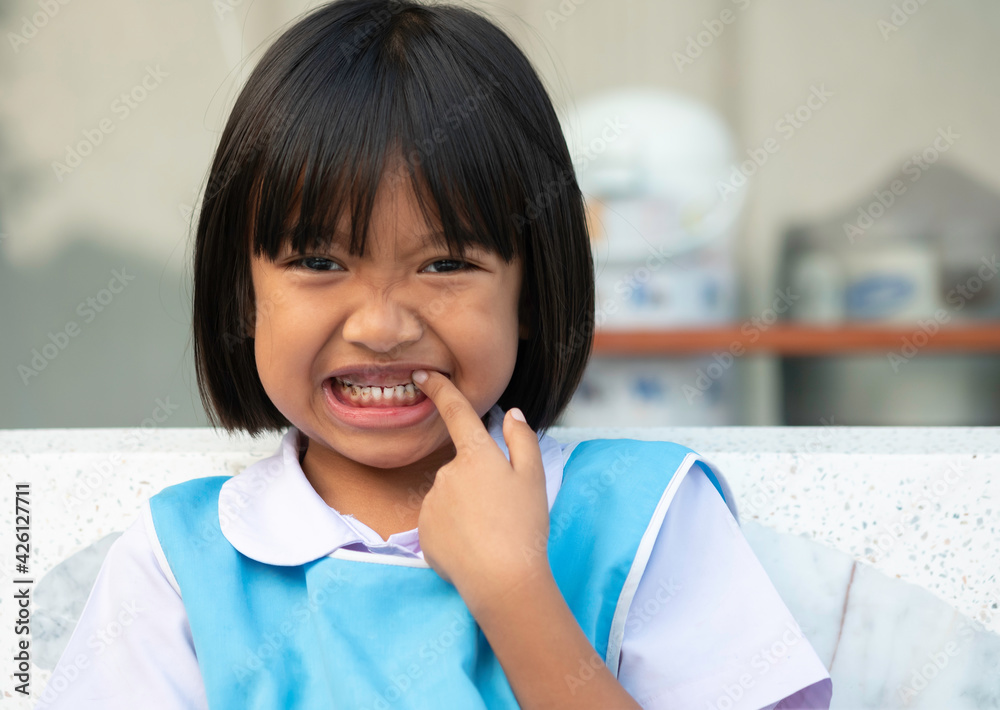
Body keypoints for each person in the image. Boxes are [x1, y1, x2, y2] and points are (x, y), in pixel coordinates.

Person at [37, 1, 833, 707]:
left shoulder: (648, 516)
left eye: (445, 264)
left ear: (534, 291)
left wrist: (517, 595)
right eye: (319, 262)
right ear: (241, 293)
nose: (382, 326)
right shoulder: (179, 562)